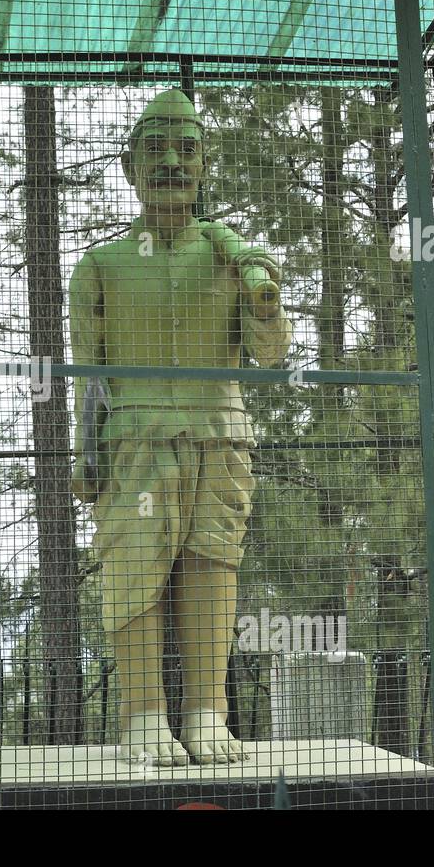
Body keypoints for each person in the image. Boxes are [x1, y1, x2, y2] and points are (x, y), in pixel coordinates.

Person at [69, 88, 292, 766]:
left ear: (204, 164)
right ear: (129, 166)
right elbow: (91, 375)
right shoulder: (100, 264)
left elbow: (273, 353)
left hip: (219, 437)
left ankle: (206, 713)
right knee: (134, 571)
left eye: (187, 148)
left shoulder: (234, 259)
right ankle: (142, 718)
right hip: (134, 440)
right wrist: (83, 450)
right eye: (155, 148)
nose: (170, 161)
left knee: (210, 568)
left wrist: (263, 296)